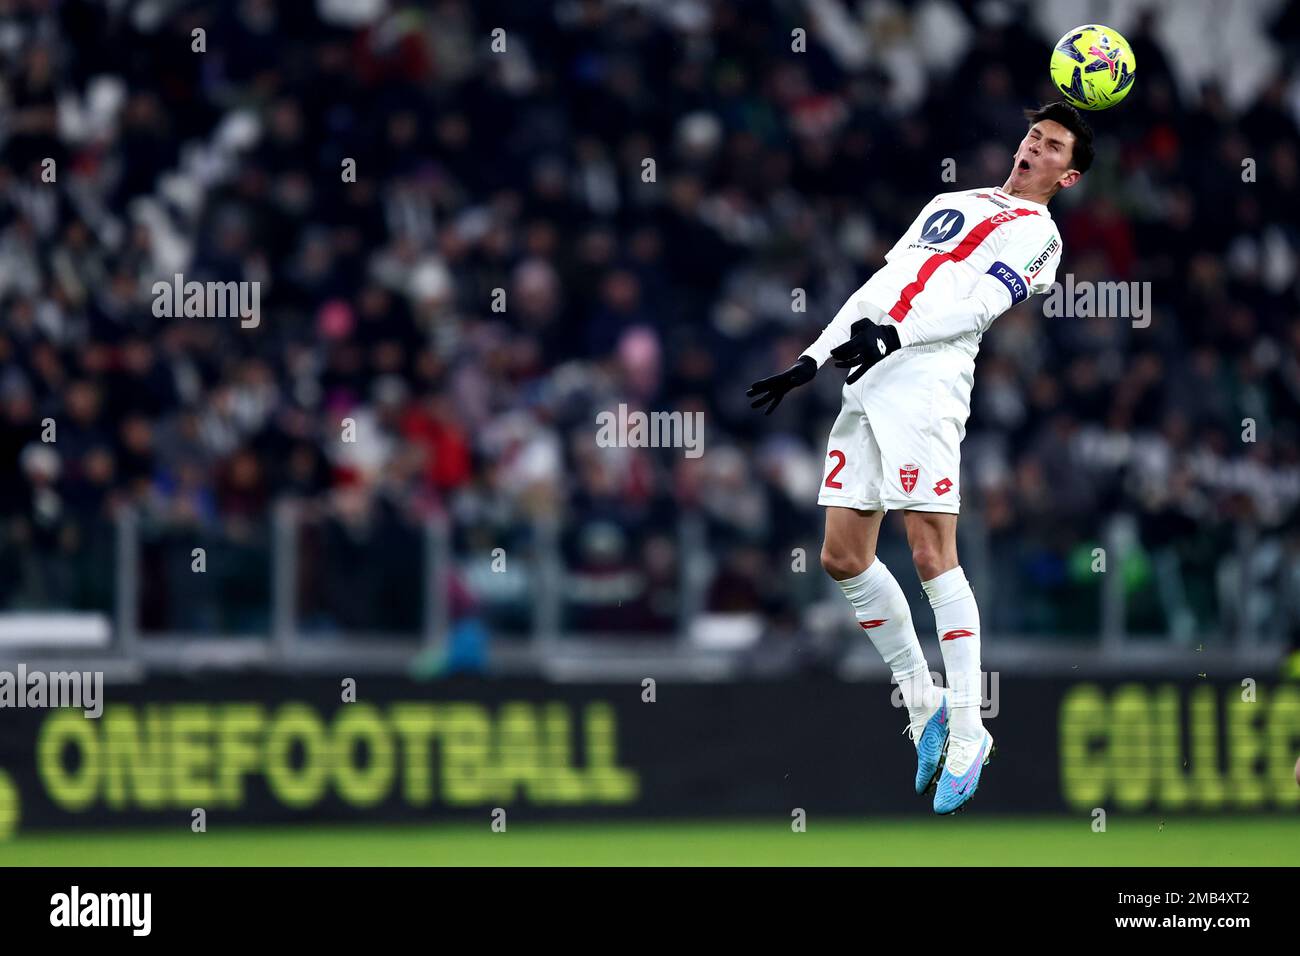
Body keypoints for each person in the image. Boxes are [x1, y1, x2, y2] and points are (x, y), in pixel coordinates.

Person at [747, 102, 1091, 813]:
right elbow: (879, 289)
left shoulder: (1040, 239)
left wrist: (894, 337)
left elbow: (974, 310)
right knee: (841, 556)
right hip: (869, 373)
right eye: (1033, 134)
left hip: (929, 381)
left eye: (1052, 145)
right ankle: (923, 700)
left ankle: (969, 729)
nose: (1034, 146)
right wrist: (813, 357)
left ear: (1069, 174)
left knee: (933, 553)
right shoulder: (950, 201)